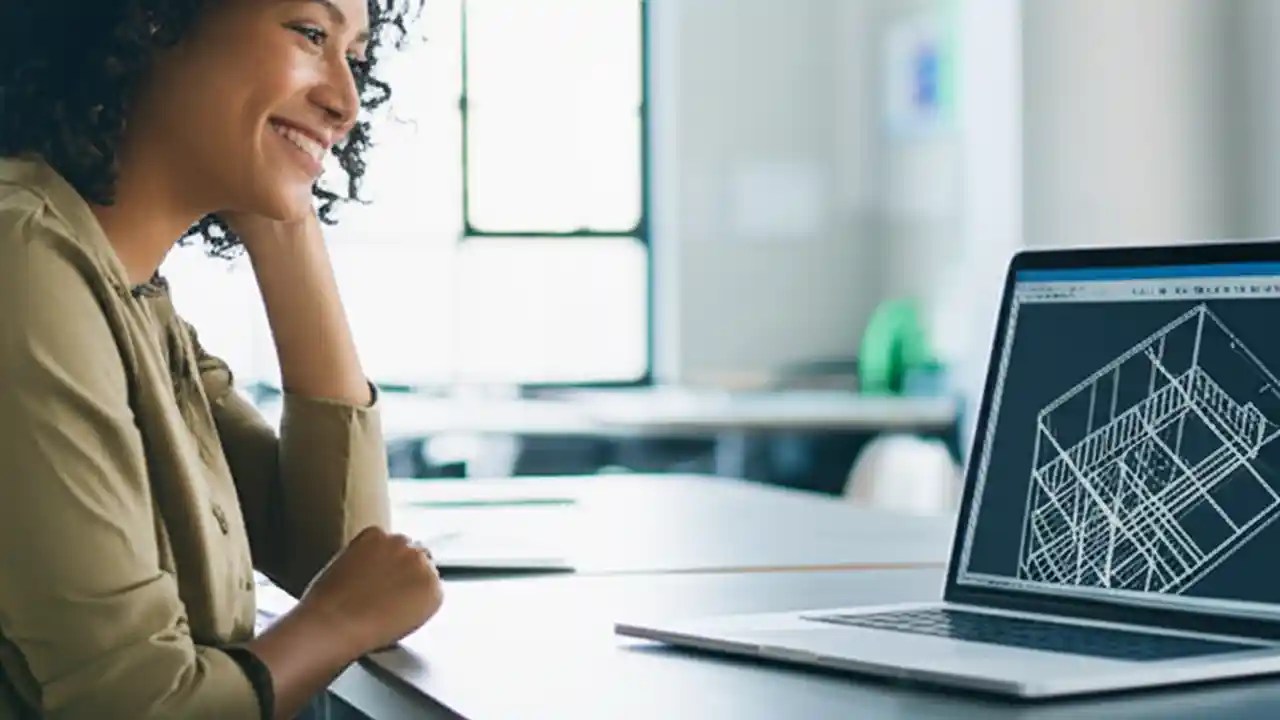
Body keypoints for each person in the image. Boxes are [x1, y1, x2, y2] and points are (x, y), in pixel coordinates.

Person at [0, 1, 443, 718]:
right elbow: (137, 706)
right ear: (153, 17)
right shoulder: (23, 265)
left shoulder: (129, 290)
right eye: (310, 35)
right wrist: (334, 624)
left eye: (355, 60)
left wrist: (288, 221)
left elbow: (338, 554)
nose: (346, 103)